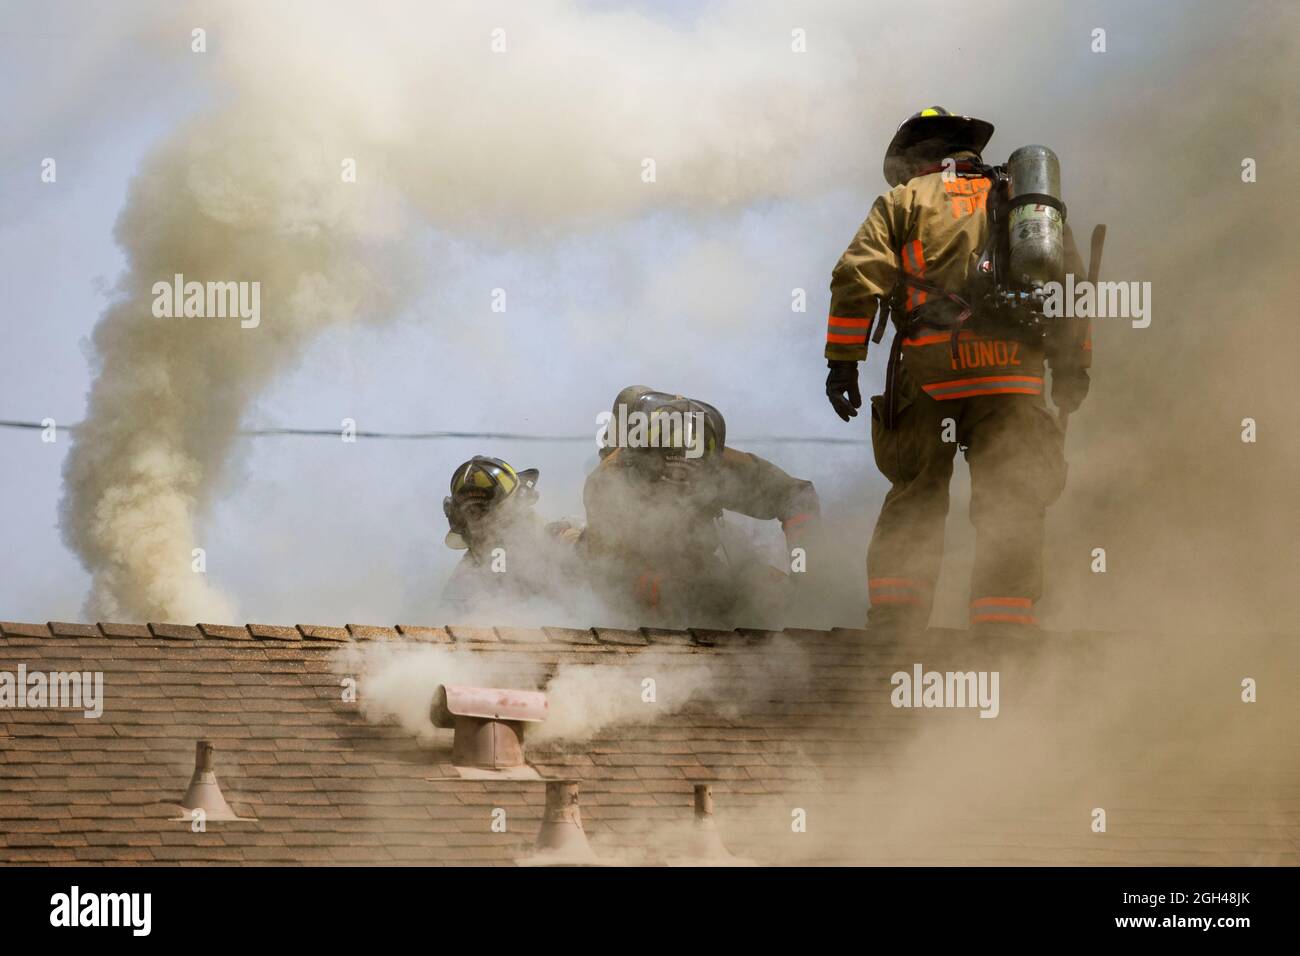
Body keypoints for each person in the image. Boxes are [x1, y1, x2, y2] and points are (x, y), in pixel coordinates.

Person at [823, 107, 1092, 636]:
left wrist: (842, 363)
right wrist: (1072, 368)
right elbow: (1071, 287)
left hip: (932, 368)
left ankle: (898, 622)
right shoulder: (1026, 204)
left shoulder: (906, 199)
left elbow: (857, 277)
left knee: (917, 491)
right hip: (1012, 375)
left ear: (921, 154)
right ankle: (1004, 622)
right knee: (1012, 496)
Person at [581, 386, 820, 623]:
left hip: (698, 563)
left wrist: (802, 573)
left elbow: (797, 499)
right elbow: (613, 578)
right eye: (668, 474)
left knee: (768, 589)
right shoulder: (608, 484)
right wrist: (695, 592)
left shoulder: (719, 463)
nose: (680, 479)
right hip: (639, 569)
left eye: (690, 473)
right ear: (639, 461)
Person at [440, 456, 580, 616]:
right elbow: (446, 619)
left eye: (484, 510)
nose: (479, 523)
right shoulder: (467, 572)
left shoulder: (559, 539)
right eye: (471, 512)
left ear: (515, 508)